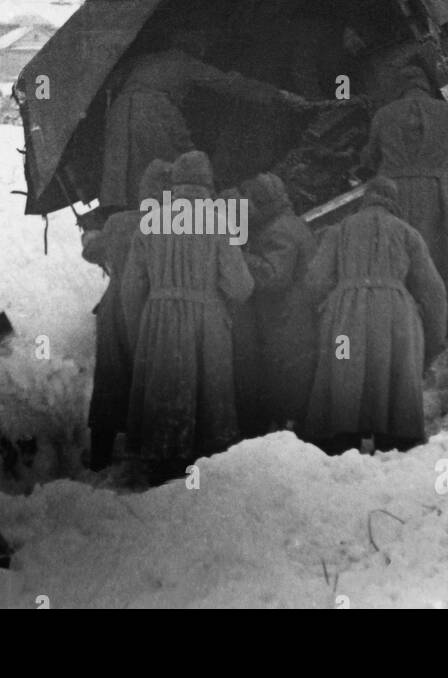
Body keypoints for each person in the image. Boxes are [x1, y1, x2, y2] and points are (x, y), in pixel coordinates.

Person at [120, 150, 253, 481]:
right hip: (207, 322)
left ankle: (160, 465)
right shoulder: (219, 223)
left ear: (175, 182)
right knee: (206, 393)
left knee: (164, 388)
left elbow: (131, 288)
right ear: (207, 182)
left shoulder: (150, 222)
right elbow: (240, 287)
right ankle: (201, 470)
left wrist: (142, 328)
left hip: (158, 319)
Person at [360, 64, 448, 367]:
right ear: (427, 86)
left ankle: (402, 351)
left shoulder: (384, 116)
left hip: (396, 199)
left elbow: (369, 159)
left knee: (401, 268)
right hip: (444, 200)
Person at [301, 177, 447, 452]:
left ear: (365, 199)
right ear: (394, 202)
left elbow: (315, 282)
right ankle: (396, 444)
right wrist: (434, 341)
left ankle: (340, 444)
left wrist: (327, 307)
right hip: (397, 317)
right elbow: (434, 291)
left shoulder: (338, 231)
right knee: (396, 376)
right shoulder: (408, 233)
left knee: (344, 371)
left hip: (345, 318)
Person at [99, 31, 312, 210]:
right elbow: (229, 83)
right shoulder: (183, 62)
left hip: (119, 115)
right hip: (151, 113)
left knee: (133, 181)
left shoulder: (146, 61)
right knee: (182, 171)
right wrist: (279, 94)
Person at [81, 159, 172, 470]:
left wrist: (90, 233)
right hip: (155, 311)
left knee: (109, 381)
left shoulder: (120, 222)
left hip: (114, 310)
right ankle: (152, 462)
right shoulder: (177, 225)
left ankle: (100, 458)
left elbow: (92, 253)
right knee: (152, 382)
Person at [237, 172, 317, 435]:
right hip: (296, 319)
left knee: (285, 383)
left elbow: (274, 276)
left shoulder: (278, 230)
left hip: (285, 321)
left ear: (262, 201)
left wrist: (238, 257)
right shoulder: (291, 223)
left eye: (251, 200)